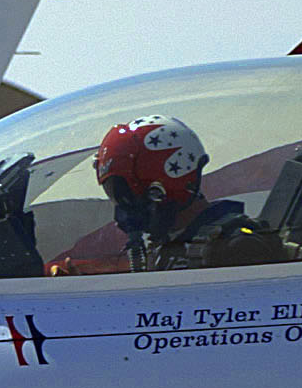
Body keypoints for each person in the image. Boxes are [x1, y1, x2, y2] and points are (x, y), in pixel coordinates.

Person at [87, 114, 282, 271]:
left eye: (126, 193)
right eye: (115, 195)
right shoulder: (169, 247)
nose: (124, 208)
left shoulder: (236, 248)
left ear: (163, 185)